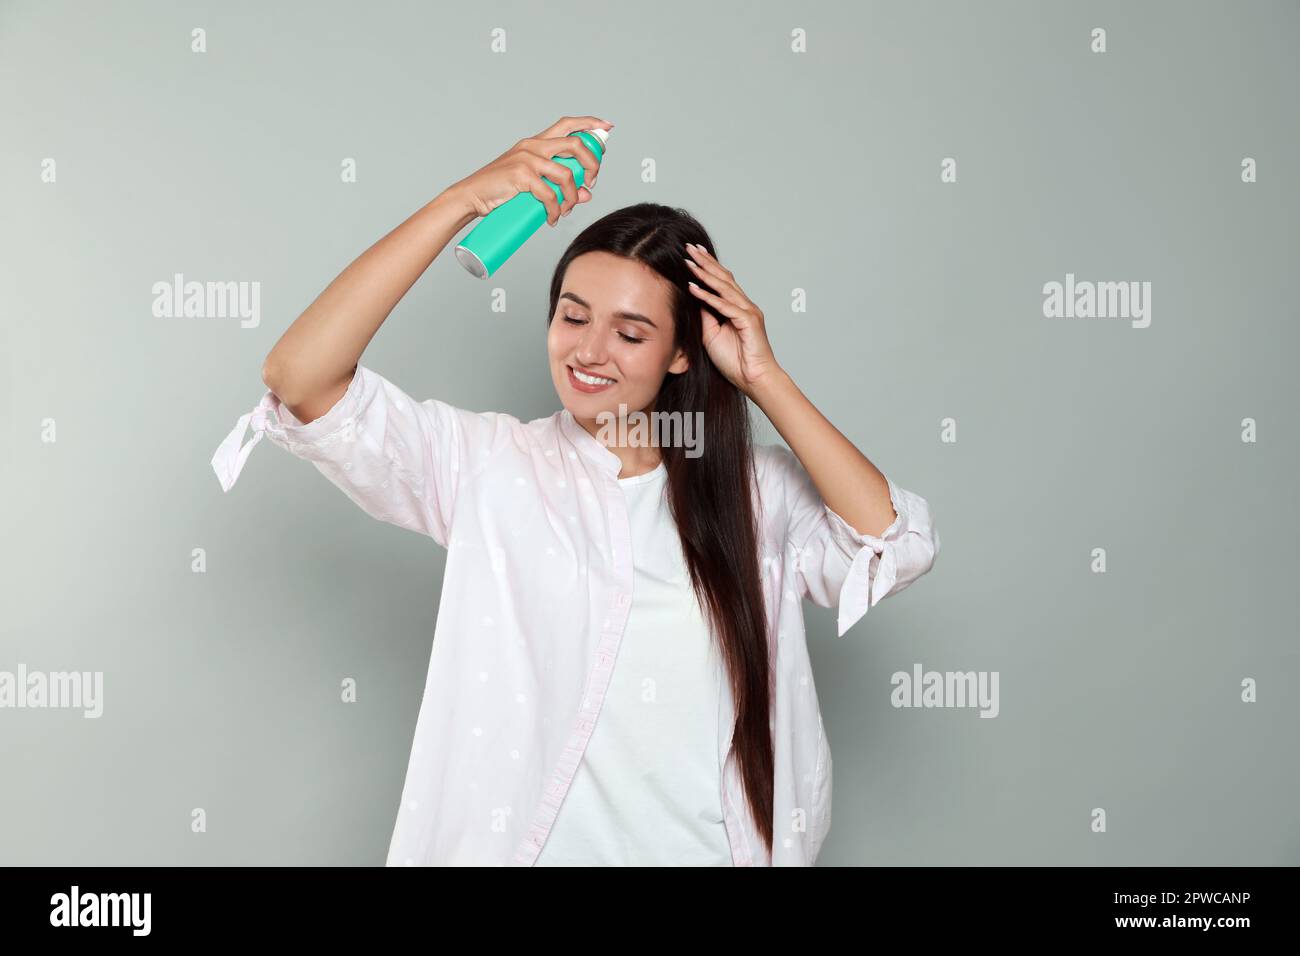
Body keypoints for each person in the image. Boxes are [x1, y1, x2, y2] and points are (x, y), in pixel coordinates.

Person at [211, 115, 941, 866]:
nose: (590, 352)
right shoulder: (489, 466)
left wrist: (764, 378)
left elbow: (894, 542)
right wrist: (462, 200)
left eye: (630, 334)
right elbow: (300, 378)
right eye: (572, 317)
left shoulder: (757, 495)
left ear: (683, 352)